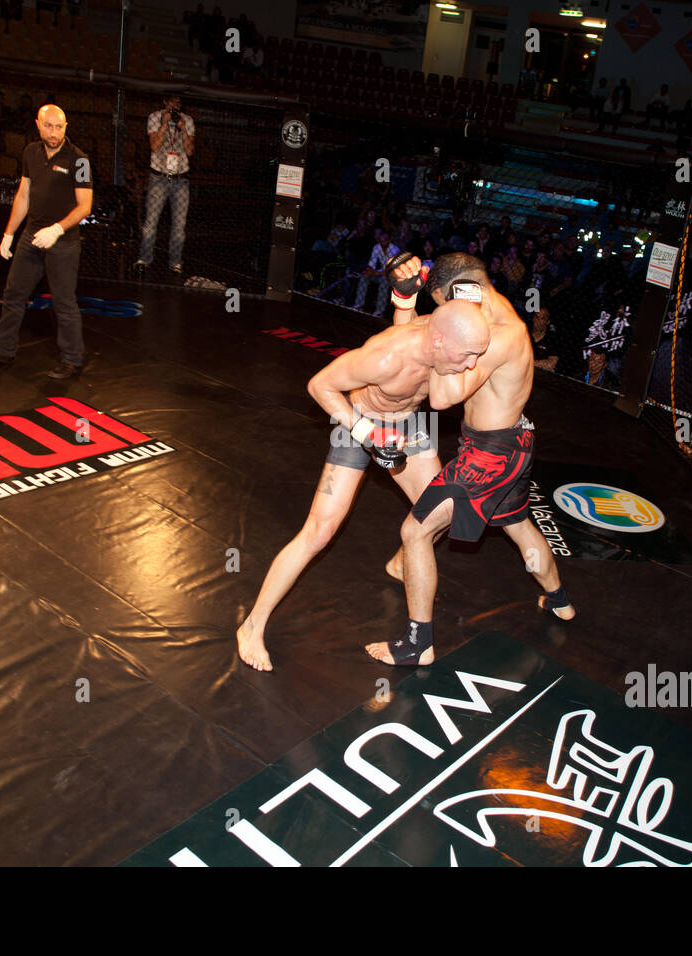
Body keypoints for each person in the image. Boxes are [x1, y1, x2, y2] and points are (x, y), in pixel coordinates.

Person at [237, 264, 491, 671]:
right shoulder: (386, 355)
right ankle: (252, 625)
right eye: (466, 357)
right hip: (359, 424)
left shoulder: (443, 336)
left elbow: (429, 314)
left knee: (444, 512)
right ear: (440, 342)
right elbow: (319, 385)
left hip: (410, 425)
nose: (470, 366)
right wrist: (367, 432)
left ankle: (400, 559)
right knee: (318, 533)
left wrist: (404, 297)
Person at [365, 253, 576, 667]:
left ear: (461, 291)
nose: (443, 315)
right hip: (511, 444)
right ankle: (560, 603)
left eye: (443, 304)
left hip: (490, 456)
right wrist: (405, 304)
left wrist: (441, 338)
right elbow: (405, 340)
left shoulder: (499, 335)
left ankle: (418, 644)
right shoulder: (486, 311)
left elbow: (442, 398)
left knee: (416, 532)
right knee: (516, 524)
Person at [0, 104, 92, 379]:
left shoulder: (79, 159)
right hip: (31, 236)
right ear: (38, 125)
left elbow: (85, 206)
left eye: (59, 126)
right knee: (14, 294)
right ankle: (3, 351)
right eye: (48, 126)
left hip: (62, 242)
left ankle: (72, 360)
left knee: (63, 302)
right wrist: (9, 233)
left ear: (66, 127)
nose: (54, 132)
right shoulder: (30, 152)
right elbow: (23, 195)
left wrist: (57, 229)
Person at [134, 94, 195, 275]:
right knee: (151, 221)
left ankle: (175, 262)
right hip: (158, 177)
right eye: (172, 102)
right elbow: (154, 146)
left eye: (178, 102)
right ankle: (144, 259)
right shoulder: (155, 117)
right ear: (165, 102)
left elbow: (190, 150)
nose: (175, 106)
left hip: (180, 178)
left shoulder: (188, 120)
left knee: (179, 225)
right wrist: (164, 125)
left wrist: (183, 129)